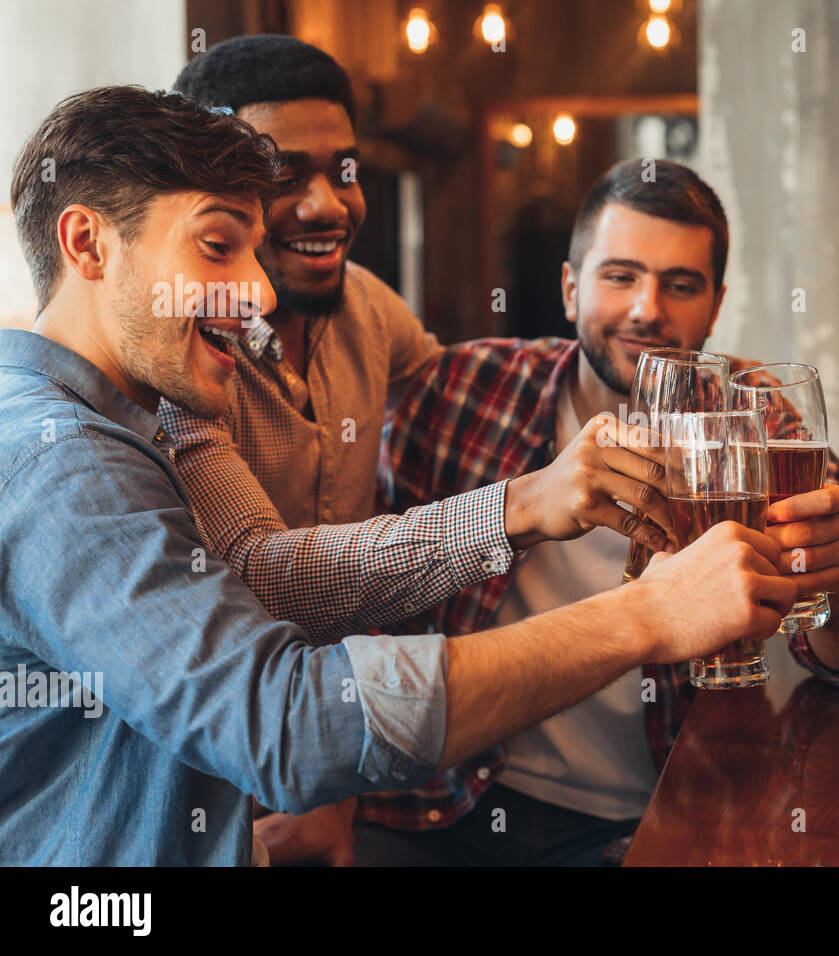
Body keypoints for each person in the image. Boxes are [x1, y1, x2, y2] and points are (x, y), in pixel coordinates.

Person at [0, 85, 796, 866]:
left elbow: (257, 586)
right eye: (217, 246)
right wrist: (647, 613)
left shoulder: (140, 413)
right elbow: (288, 721)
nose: (260, 292)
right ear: (87, 244)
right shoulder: (66, 464)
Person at [159, 35, 687, 863]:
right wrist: (521, 505)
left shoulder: (367, 306)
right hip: (216, 773)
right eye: (280, 174)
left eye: (343, 169)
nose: (327, 204)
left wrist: (658, 368)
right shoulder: (175, 354)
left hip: (360, 752)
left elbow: (468, 380)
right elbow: (262, 575)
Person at [359, 158, 839, 865]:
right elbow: (369, 590)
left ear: (715, 306)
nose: (648, 308)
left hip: (641, 823)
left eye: (681, 285)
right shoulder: (469, 386)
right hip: (437, 805)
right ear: (569, 288)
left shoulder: (757, 413)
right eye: (620, 276)